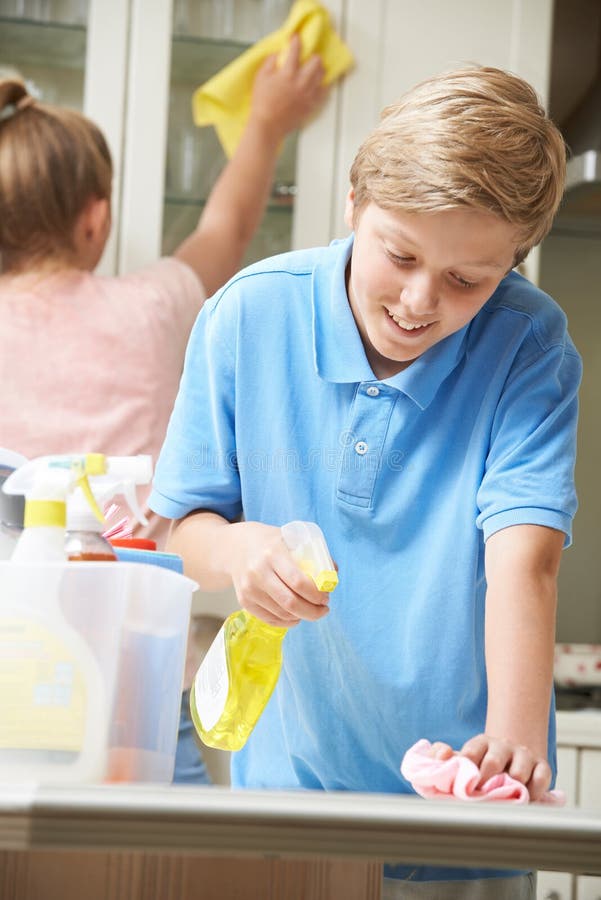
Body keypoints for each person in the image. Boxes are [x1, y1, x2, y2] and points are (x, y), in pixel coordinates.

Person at [149, 64, 581, 897]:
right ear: (354, 205)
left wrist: (514, 742)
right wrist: (238, 548)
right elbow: (183, 527)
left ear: (512, 263)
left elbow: (523, 557)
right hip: (293, 800)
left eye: (468, 280)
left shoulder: (528, 347)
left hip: (468, 805)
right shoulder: (248, 315)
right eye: (401, 254)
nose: (420, 300)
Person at [0, 34, 327, 785]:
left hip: (12, 673)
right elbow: (228, 230)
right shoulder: (152, 307)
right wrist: (267, 123)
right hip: (138, 684)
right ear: (96, 219)